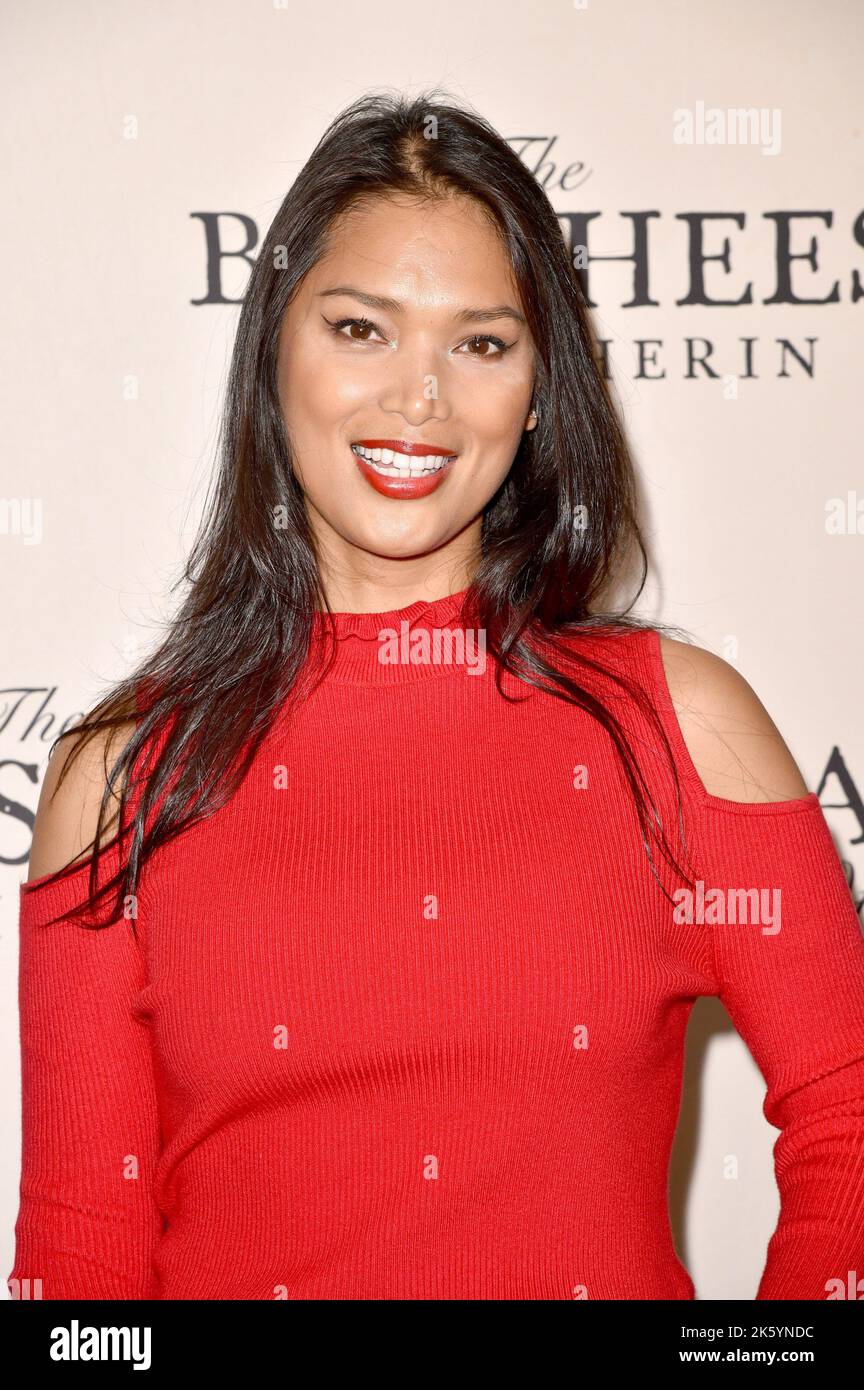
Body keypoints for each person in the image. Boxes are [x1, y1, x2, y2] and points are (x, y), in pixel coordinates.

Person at [8, 90, 864, 1301]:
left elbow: (852, 1131)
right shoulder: (122, 773)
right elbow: (78, 1265)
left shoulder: (679, 725)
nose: (421, 397)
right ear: (275, 350)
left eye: (481, 342)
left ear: (535, 386)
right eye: (362, 329)